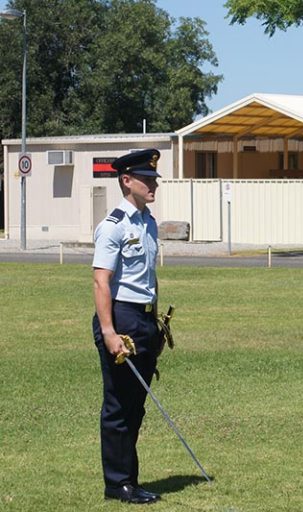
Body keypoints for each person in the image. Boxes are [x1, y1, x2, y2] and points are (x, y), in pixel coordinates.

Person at [92, 149, 163, 504]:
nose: (153, 185)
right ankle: (118, 483)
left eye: (154, 179)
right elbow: (101, 281)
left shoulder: (148, 222)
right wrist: (109, 332)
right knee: (119, 405)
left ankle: (129, 480)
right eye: (146, 179)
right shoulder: (113, 226)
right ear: (126, 180)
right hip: (122, 319)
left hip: (145, 319)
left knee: (136, 405)